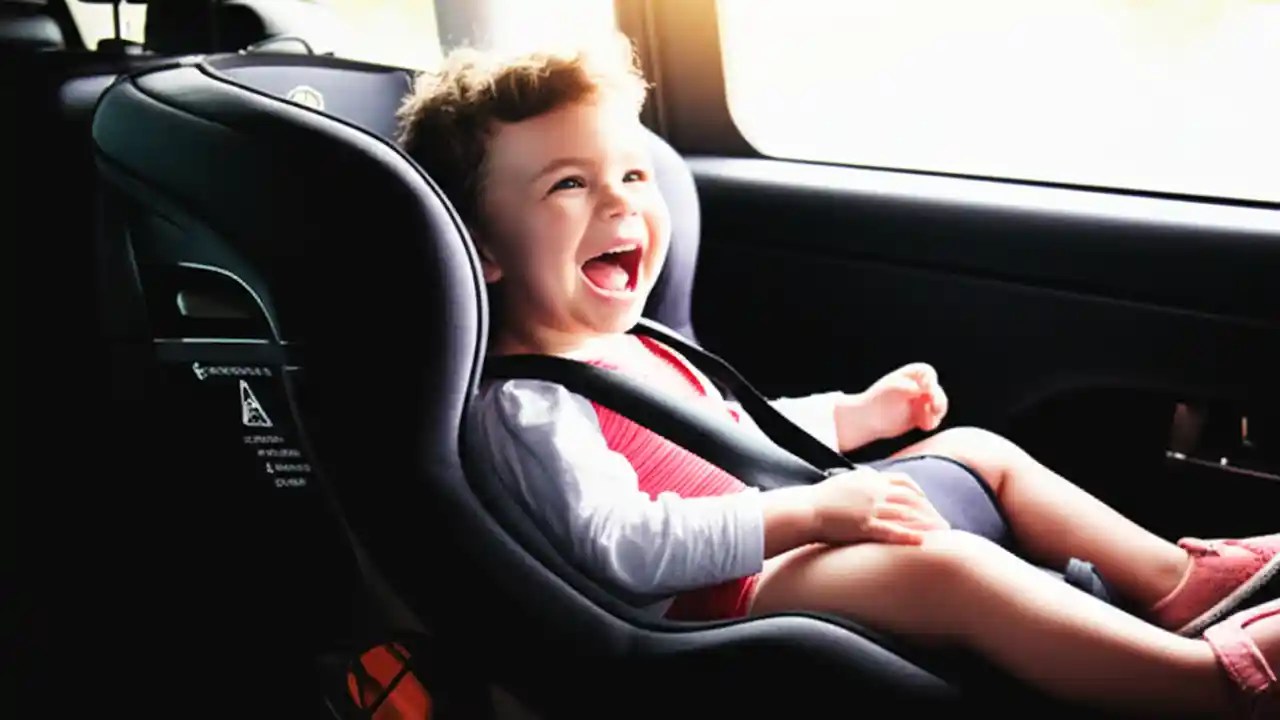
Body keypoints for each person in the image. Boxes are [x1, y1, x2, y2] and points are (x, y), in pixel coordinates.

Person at [394, 35, 1280, 718]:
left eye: (631, 172)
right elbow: (624, 546)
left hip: (772, 535)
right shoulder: (532, 403)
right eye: (568, 185)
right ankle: (1197, 686)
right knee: (946, 571)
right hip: (712, 601)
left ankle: (1178, 582)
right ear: (482, 249)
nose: (622, 199)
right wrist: (812, 515)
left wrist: (858, 415)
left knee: (980, 448)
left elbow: (738, 436)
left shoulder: (630, 345)